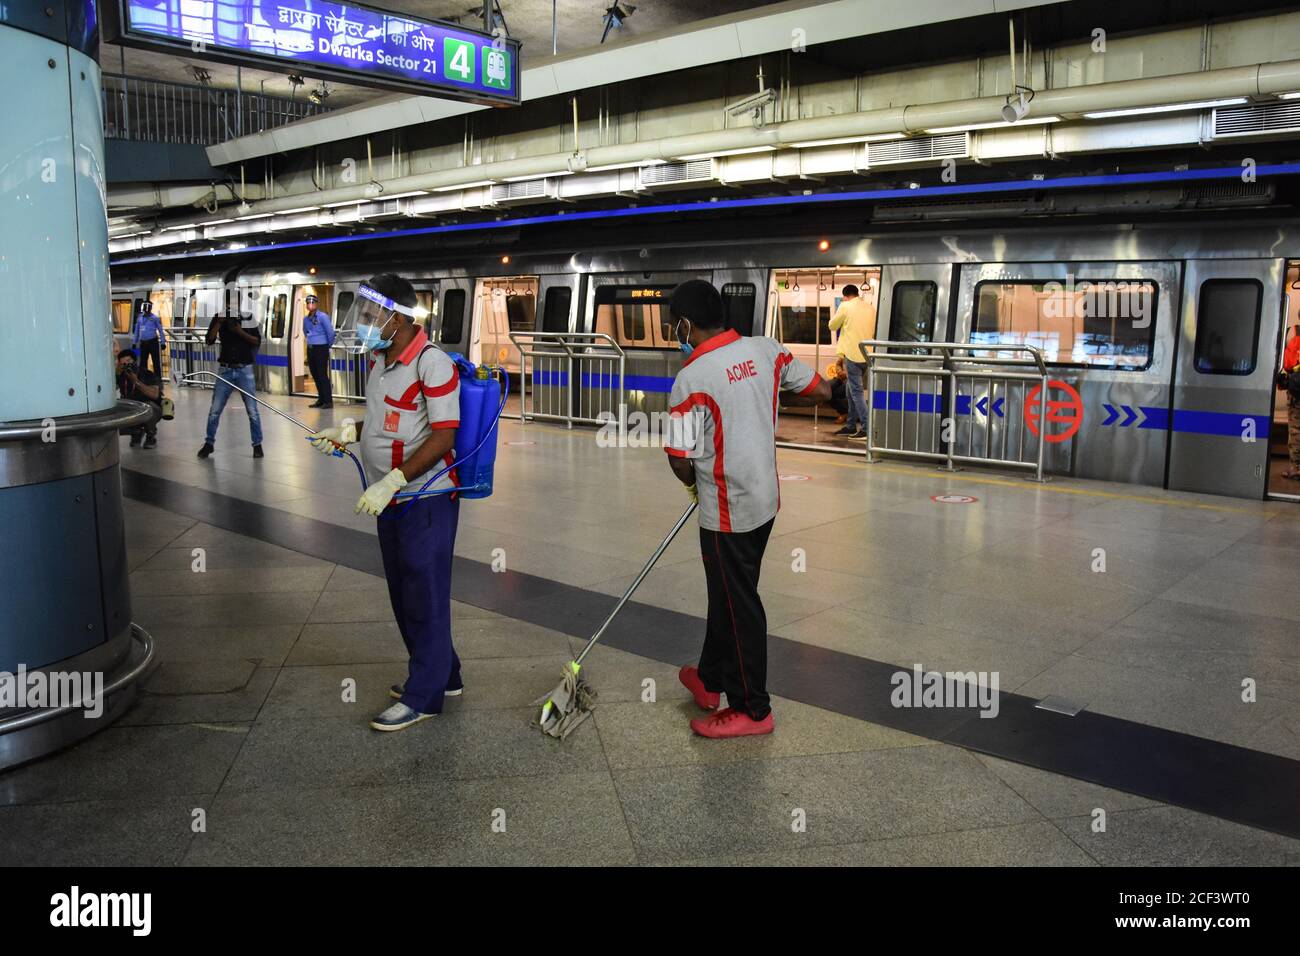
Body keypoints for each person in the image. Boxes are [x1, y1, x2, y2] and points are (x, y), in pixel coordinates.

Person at [664, 279, 831, 739]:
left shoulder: (690, 380)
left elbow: (679, 460)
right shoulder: (766, 350)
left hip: (726, 511)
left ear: (685, 324)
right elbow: (819, 391)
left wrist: (693, 483)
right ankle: (709, 677)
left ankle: (753, 709)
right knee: (729, 592)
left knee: (739, 605)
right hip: (765, 502)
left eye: (672, 322)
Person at [308, 274, 464, 732]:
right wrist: (349, 432)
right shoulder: (380, 360)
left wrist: (395, 478)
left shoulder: (431, 364)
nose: (365, 323)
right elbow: (383, 421)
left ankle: (424, 696)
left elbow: (444, 434)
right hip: (389, 499)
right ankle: (444, 673)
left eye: (372, 315)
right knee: (404, 589)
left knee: (424, 592)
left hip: (424, 497)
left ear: (397, 317)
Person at [197, 309, 264, 459]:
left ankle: (257, 445)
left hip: (244, 369)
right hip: (225, 369)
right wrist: (219, 322)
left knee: (252, 410)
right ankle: (209, 443)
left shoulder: (248, 317)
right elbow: (209, 340)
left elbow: (257, 341)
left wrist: (239, 332)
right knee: (215, 410)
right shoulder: (219, 317)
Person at [828, 283, 874, 439]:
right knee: (850, 392)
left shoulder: (845, 306)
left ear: (846, 296)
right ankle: (850, 425)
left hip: (853, 356)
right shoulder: (870, 308)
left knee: (856, 393)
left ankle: (867, 428)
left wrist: (842, 306)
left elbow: (832, 325)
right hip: (867, 356)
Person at [116, 349, 162, 448]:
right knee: (113, 420)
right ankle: (136, 431)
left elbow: (154, 395)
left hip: (149, 407)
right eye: (124, 364)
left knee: (150, 408)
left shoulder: (147, 374)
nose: (127, 366)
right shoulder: (122, 377)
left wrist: (136, 381)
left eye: (129, 362)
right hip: (130, 408)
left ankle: (151, 435)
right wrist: (116, 373)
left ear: (135, 362)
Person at [303, 293, 336, 408]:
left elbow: (330, 333)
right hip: (311, 348)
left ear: (316, 304)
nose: (310, 305)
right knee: (315, 374)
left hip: (321, 348)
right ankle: (321, 399)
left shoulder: (322, 316)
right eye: (308, 303)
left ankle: (328, 401)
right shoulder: (306, 319)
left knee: (322, 375)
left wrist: (328, 345)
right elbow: (305, 332)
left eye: (312, 302)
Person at [131, 300, 167, 382]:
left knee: (156, 362)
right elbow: (137, 331)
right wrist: (134, 342)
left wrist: (163, 342)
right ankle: (144, 379)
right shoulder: (140, 318)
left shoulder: (154, 318)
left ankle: (158, 380)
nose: (145, 312)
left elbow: (160, 330)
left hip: (153, 342)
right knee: (143, 362)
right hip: (143, 343)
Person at [1283, 325, 1300, 480]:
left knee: (1296, 430)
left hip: (1296, 390)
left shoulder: (1292, 334)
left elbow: (1287, 365)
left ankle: (1296, 468)